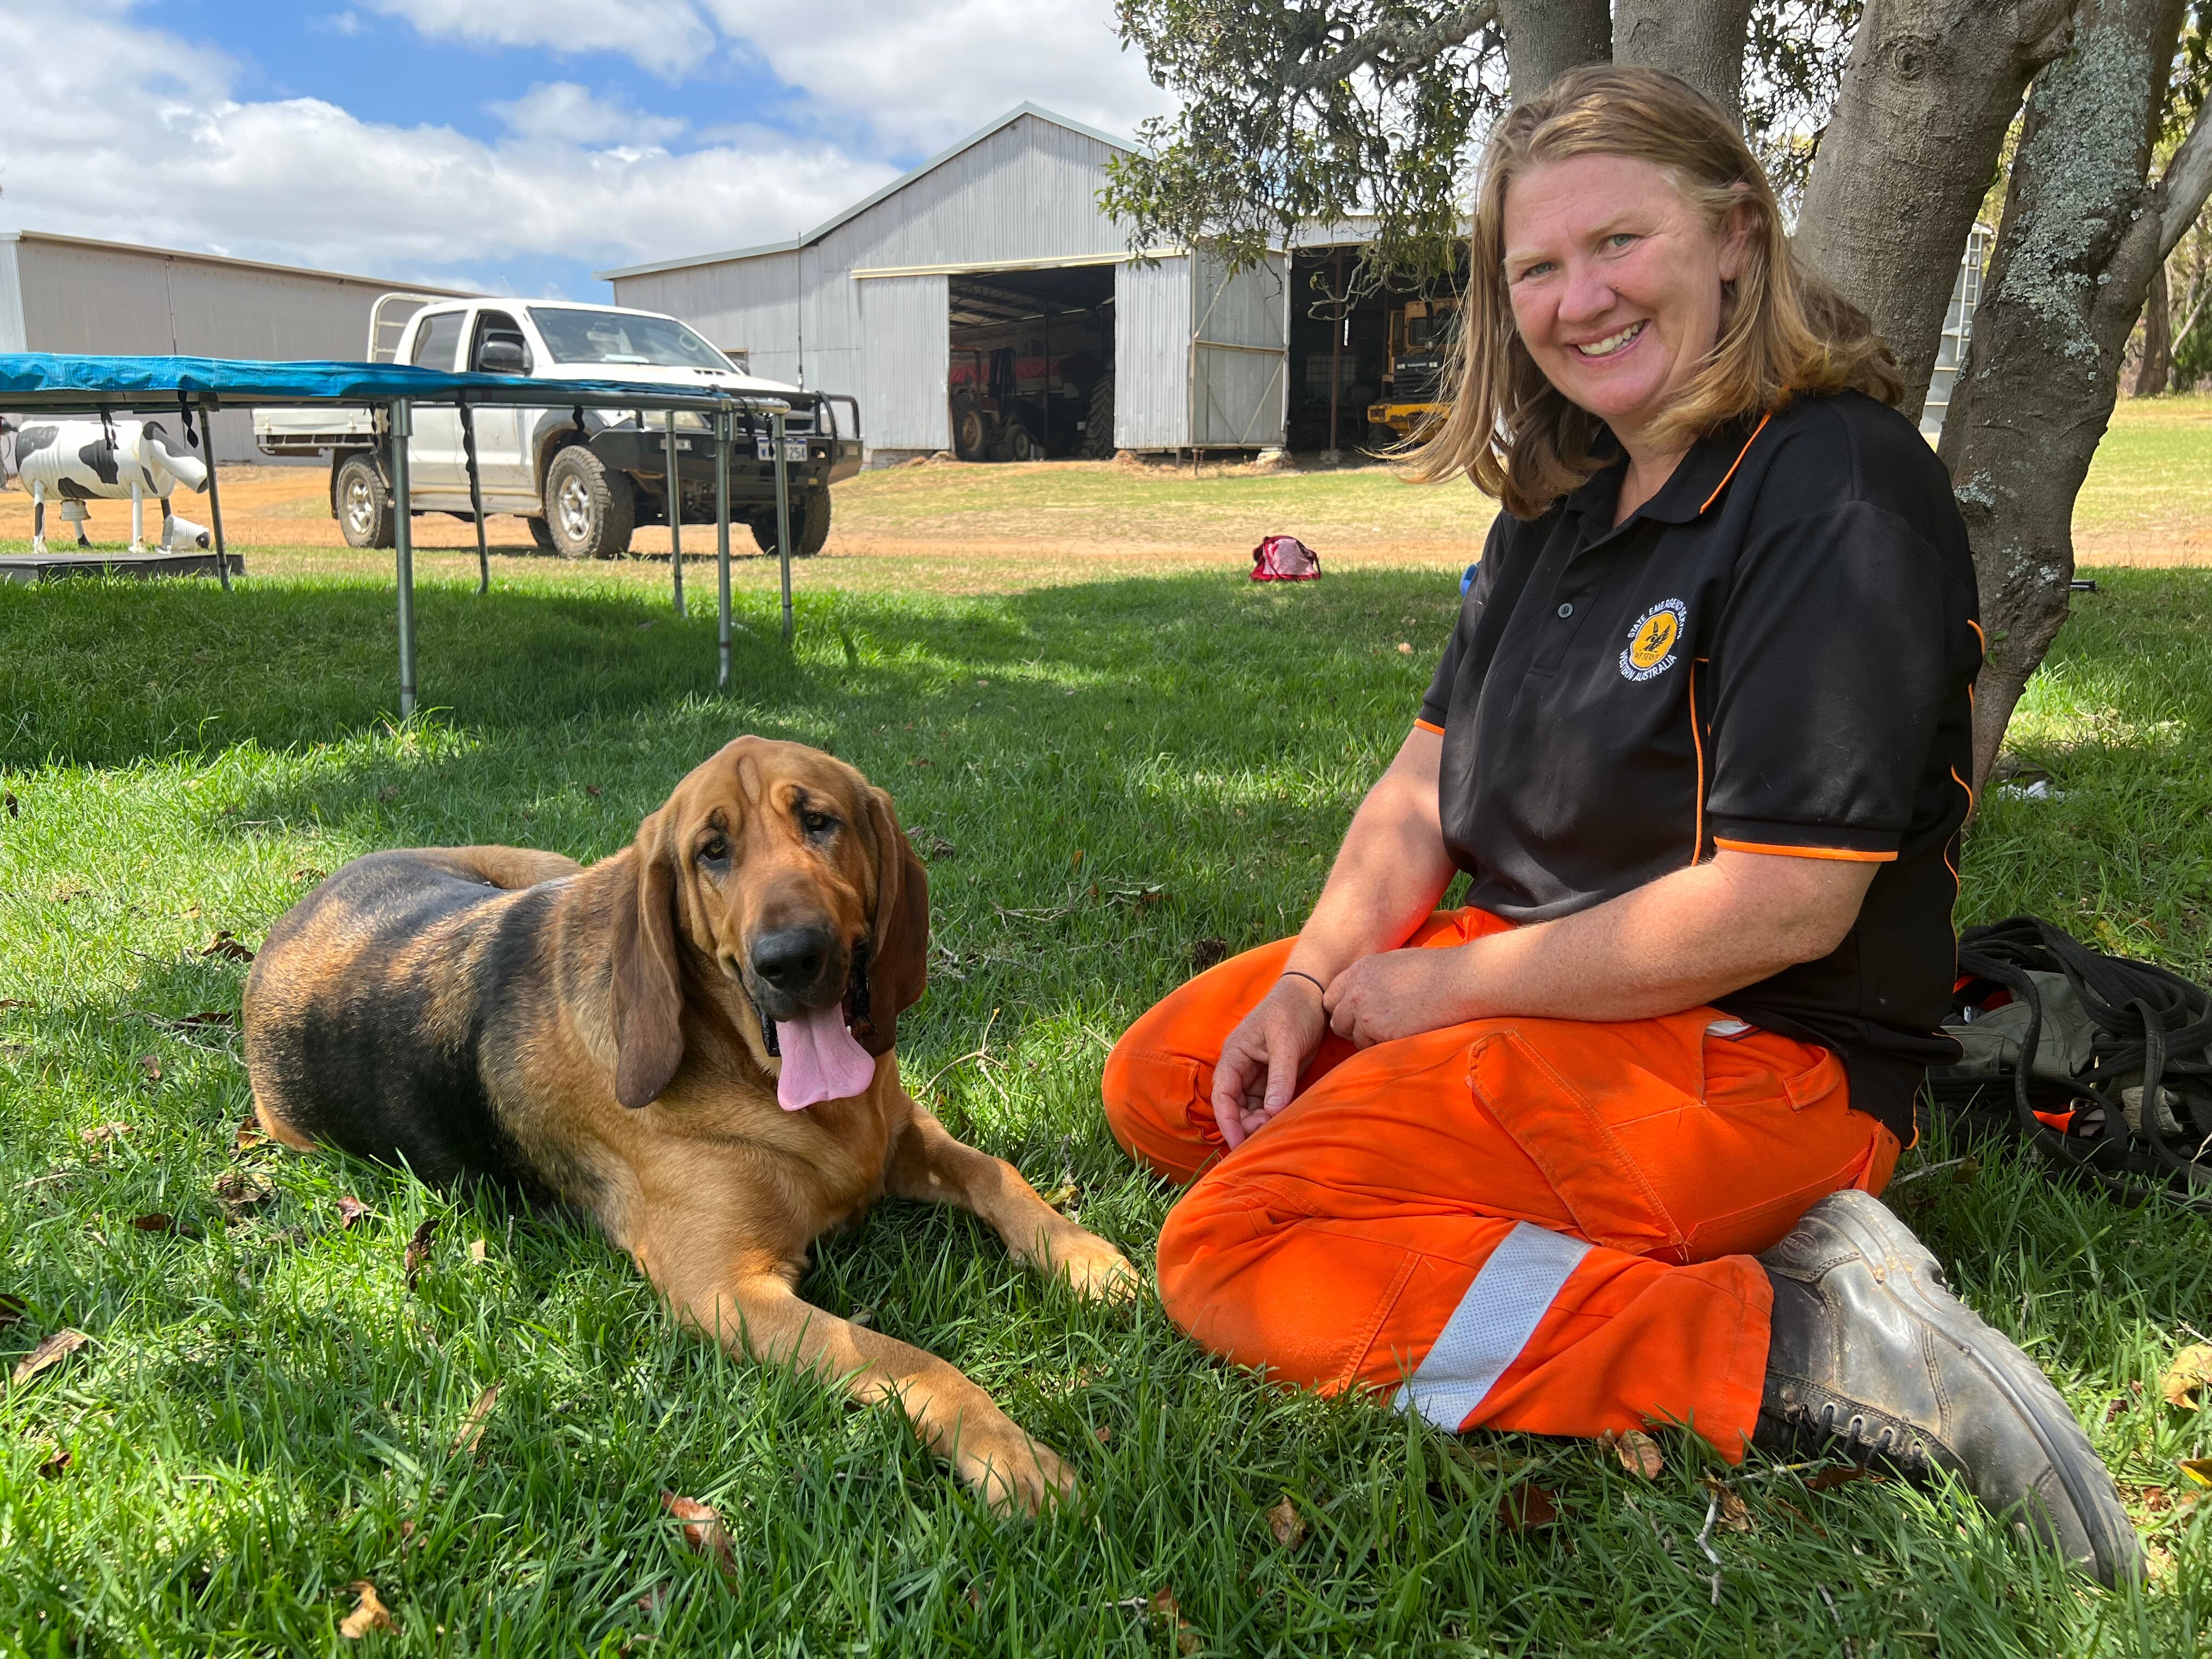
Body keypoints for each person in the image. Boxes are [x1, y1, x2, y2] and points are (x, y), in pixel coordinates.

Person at [1102, 65, 2138, 1586]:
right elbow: (1417, 791)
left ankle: (1794, 1342)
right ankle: (1644, 1226)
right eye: (1537, 265)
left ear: (1734, 235)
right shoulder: (1561, 499)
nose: (1577, 297)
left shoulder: (1833, 486)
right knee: (1170, 1088)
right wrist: (1319, 983)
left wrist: (1438, 994)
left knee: (1234, 1251)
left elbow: (1788, 907)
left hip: (1760, 1050)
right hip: (1536, 987)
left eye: (1617, 244)